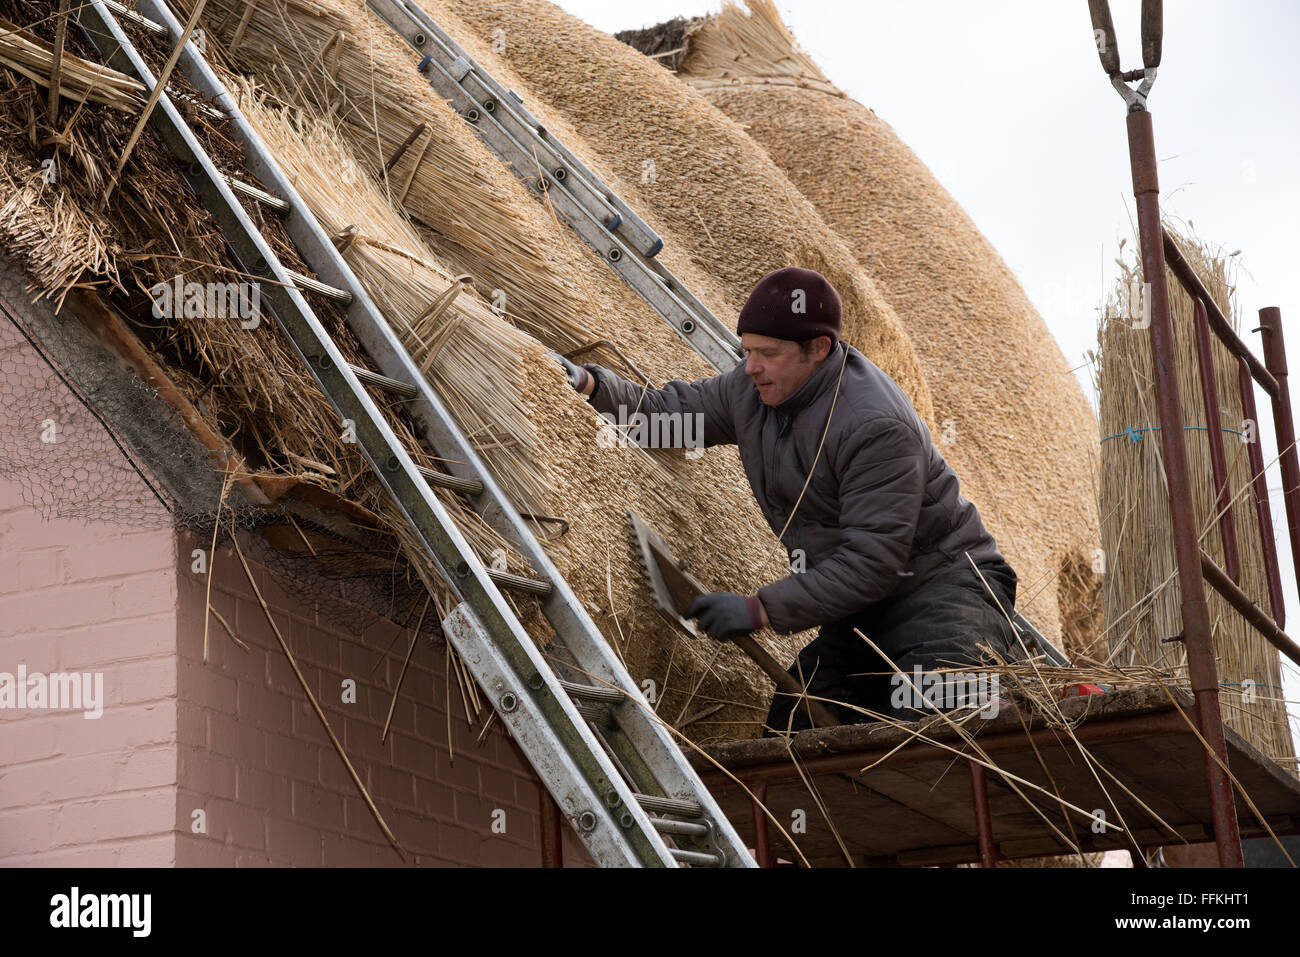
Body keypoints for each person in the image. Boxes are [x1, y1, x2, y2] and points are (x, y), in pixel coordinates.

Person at [553, 266, 1021, 733]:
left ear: (818, 349)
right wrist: (588, 385)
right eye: (747, 351)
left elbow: (874, 561)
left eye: (768, 354)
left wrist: (759, 609)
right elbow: (667, 417)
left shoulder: (873, 424)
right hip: (859, 611)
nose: (751, 366)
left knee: (942, 725)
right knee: (793, 730)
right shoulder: (751, 390)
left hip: (943, 592)